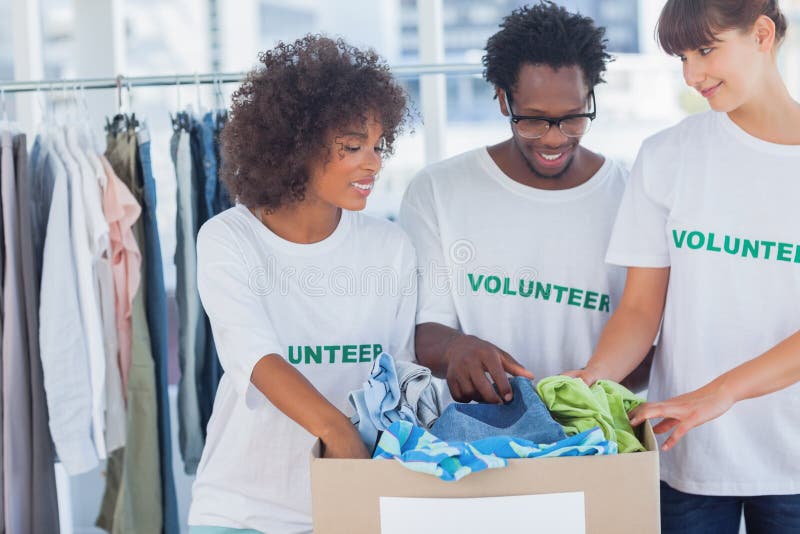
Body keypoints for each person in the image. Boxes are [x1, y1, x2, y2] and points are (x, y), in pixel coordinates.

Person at [567, 1, 800, 531]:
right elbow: (640, 309)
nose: (693, 75)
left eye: (705, 49)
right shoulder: (667, 156)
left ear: (762, 35)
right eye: (681, 58)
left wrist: (719, 393)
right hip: (686, 452)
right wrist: (591, 380)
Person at [187, 35, 415, 534]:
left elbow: (396, 380)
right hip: (243, 509)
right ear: (295, 145)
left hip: (355, 508)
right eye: (353, 147)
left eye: (377, 147)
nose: (374, 163)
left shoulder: (390, 248)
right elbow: (255, 357)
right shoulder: (228, 238)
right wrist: (336, 430)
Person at [400, 1, 633, 404]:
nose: (554, 138)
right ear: (504, 100)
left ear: (590, 96)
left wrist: (584, 392)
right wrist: (458, 348)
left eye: (573, 118)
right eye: (533, 119)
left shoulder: (630, 191)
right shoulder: (438, 190)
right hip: (477, 438)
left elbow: (648, 332)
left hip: (598, 435)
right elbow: (423, 329)